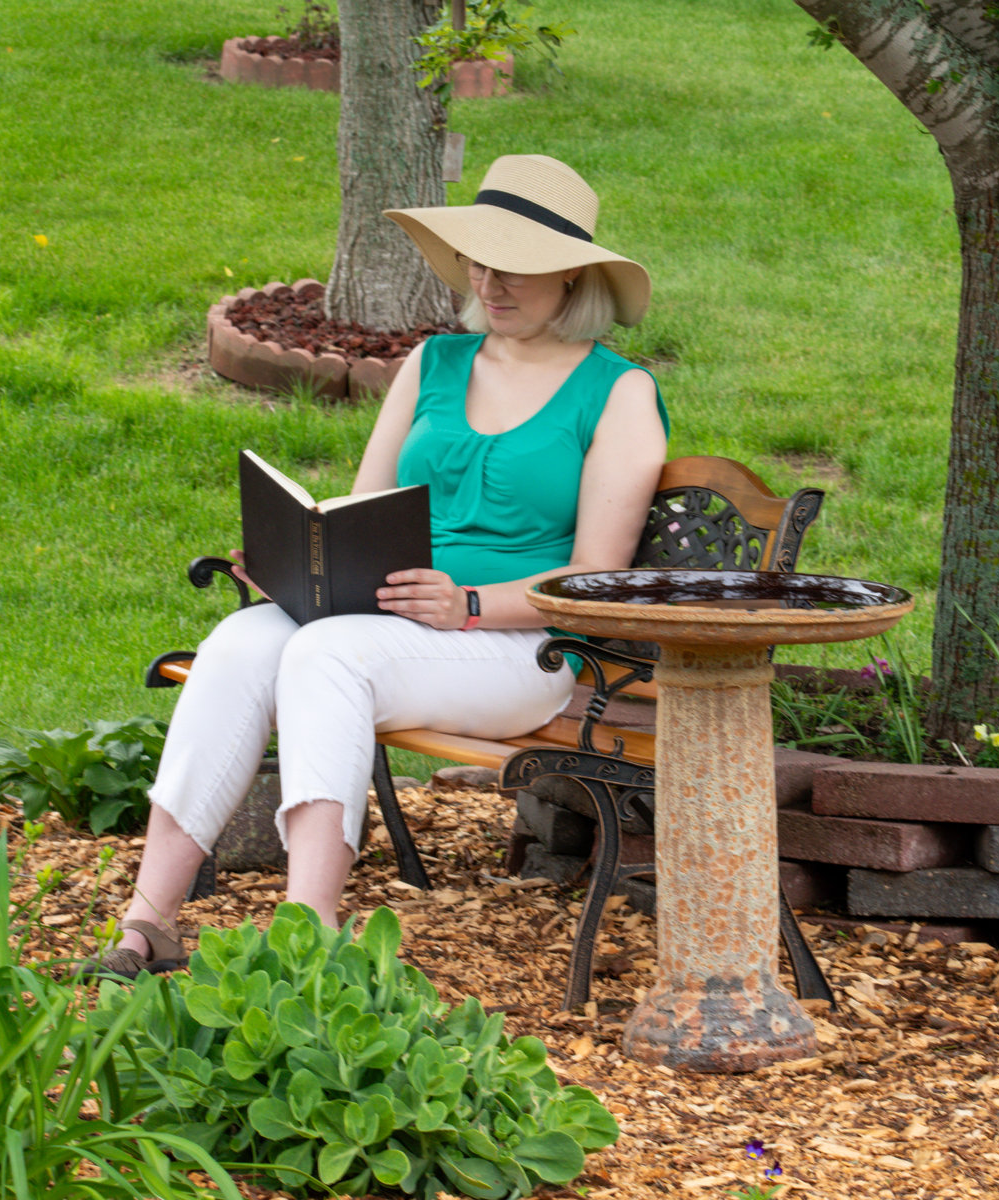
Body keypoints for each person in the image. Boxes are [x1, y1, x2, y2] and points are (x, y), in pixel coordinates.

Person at [83, 154, 669, 978]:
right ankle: (149, 923)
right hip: (393, 624)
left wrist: (466, 603)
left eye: (517, 268)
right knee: (243, 641)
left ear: (574, 276)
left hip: (522, 648)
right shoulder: (435, 363)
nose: (491, 282)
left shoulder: (619, 393)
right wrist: (298, 563)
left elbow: (591, 580)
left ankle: (308, 936)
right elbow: (363, 509)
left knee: (327, 656)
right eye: (479, 260)